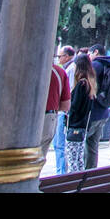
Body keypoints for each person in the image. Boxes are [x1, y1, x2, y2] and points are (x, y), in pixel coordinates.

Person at [86, 45, 110, 169]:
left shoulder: (95, 66)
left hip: (92, 112)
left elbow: (87, 87)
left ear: (96, 52)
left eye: (90, 53)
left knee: (83, 144)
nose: (89, 56)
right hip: (104, 111)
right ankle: (90, 173)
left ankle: (82, 174)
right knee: (93, 146)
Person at [64, 53, 95, 173]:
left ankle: (72, 182)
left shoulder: (80, 85)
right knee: (79, 158)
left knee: (72, 159)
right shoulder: (89, 84)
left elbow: (74, 106)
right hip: (83, 126)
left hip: (74, 126)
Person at [52, 46, 76, 175]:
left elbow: (68, 93)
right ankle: (60, 171)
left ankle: (60, 172)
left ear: (67, 56)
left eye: (60, 56)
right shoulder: (64, 70)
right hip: (61, 112)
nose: (59, 59)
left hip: (60, 113)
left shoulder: (68, 70)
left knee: (59, 145)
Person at [42, 56, 71, 161]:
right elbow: (65, 106)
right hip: (48, 117)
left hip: (23, 119)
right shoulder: (59, 72)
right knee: (38, 160)